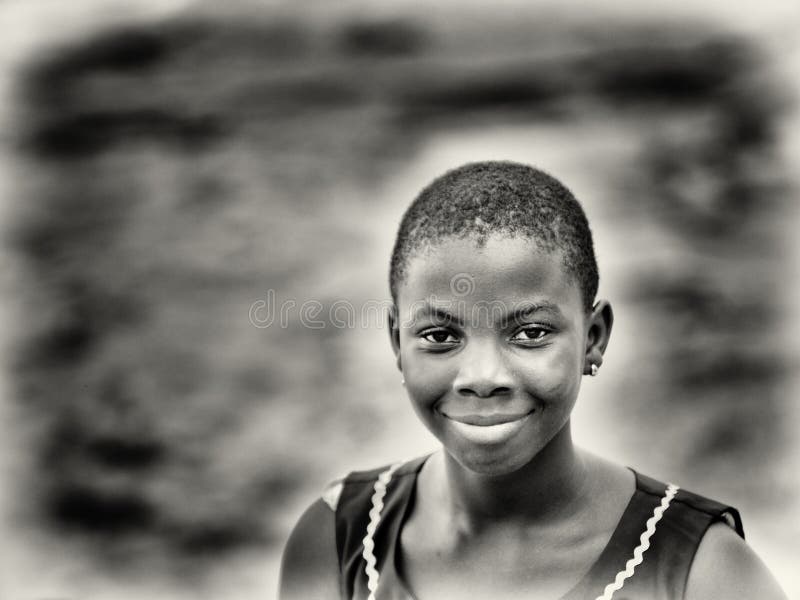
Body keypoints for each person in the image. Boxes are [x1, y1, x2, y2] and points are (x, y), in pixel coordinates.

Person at [278, 161, 786, 599]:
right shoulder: (340, 541)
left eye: (530, 332)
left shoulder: (697, 572)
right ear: (396, 342)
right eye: (439, 335)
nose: (482, 378)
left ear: (593, 337)